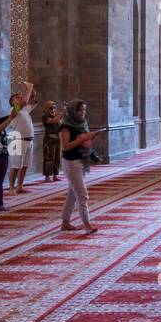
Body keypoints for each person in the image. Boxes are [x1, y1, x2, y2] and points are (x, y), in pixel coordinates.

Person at [59, 100, 104, 237]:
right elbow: (66, 146)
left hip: (81, 160)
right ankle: (87, 225)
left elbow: (85, 144)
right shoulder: (65, 126)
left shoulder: (81, 124)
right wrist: (83, 138)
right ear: (73, 111)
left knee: (73, 194)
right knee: (82, 195)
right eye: (80, 110)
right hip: (71, 162)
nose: (83, 113)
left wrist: (90, 138)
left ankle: (65, 223)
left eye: (84, 110)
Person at [7, 80, 35, 194]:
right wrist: (29, 88)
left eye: (19, 97)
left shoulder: (24, 110)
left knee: (24, 166)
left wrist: (31, 91)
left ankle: (20, 186)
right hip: (18, 141)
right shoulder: (14, 110)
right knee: (16, 166)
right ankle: (11, 188)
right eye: (16, 98)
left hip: (28, 141)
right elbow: (24, 101)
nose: (19, 99)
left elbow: (32, 101)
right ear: (12, 102)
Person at [41, 101, 63, 181]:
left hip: (57, 139)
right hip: (49, 140)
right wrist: (60, 115)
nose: (53, 109)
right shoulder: (45, 116)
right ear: (47, 108)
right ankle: (47, 176)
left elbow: (60, 127)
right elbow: (52, 121)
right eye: (51, 108)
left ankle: (55, 175)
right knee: (49, 157)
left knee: (57, 157)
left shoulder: (56, 117)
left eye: (54, 107)